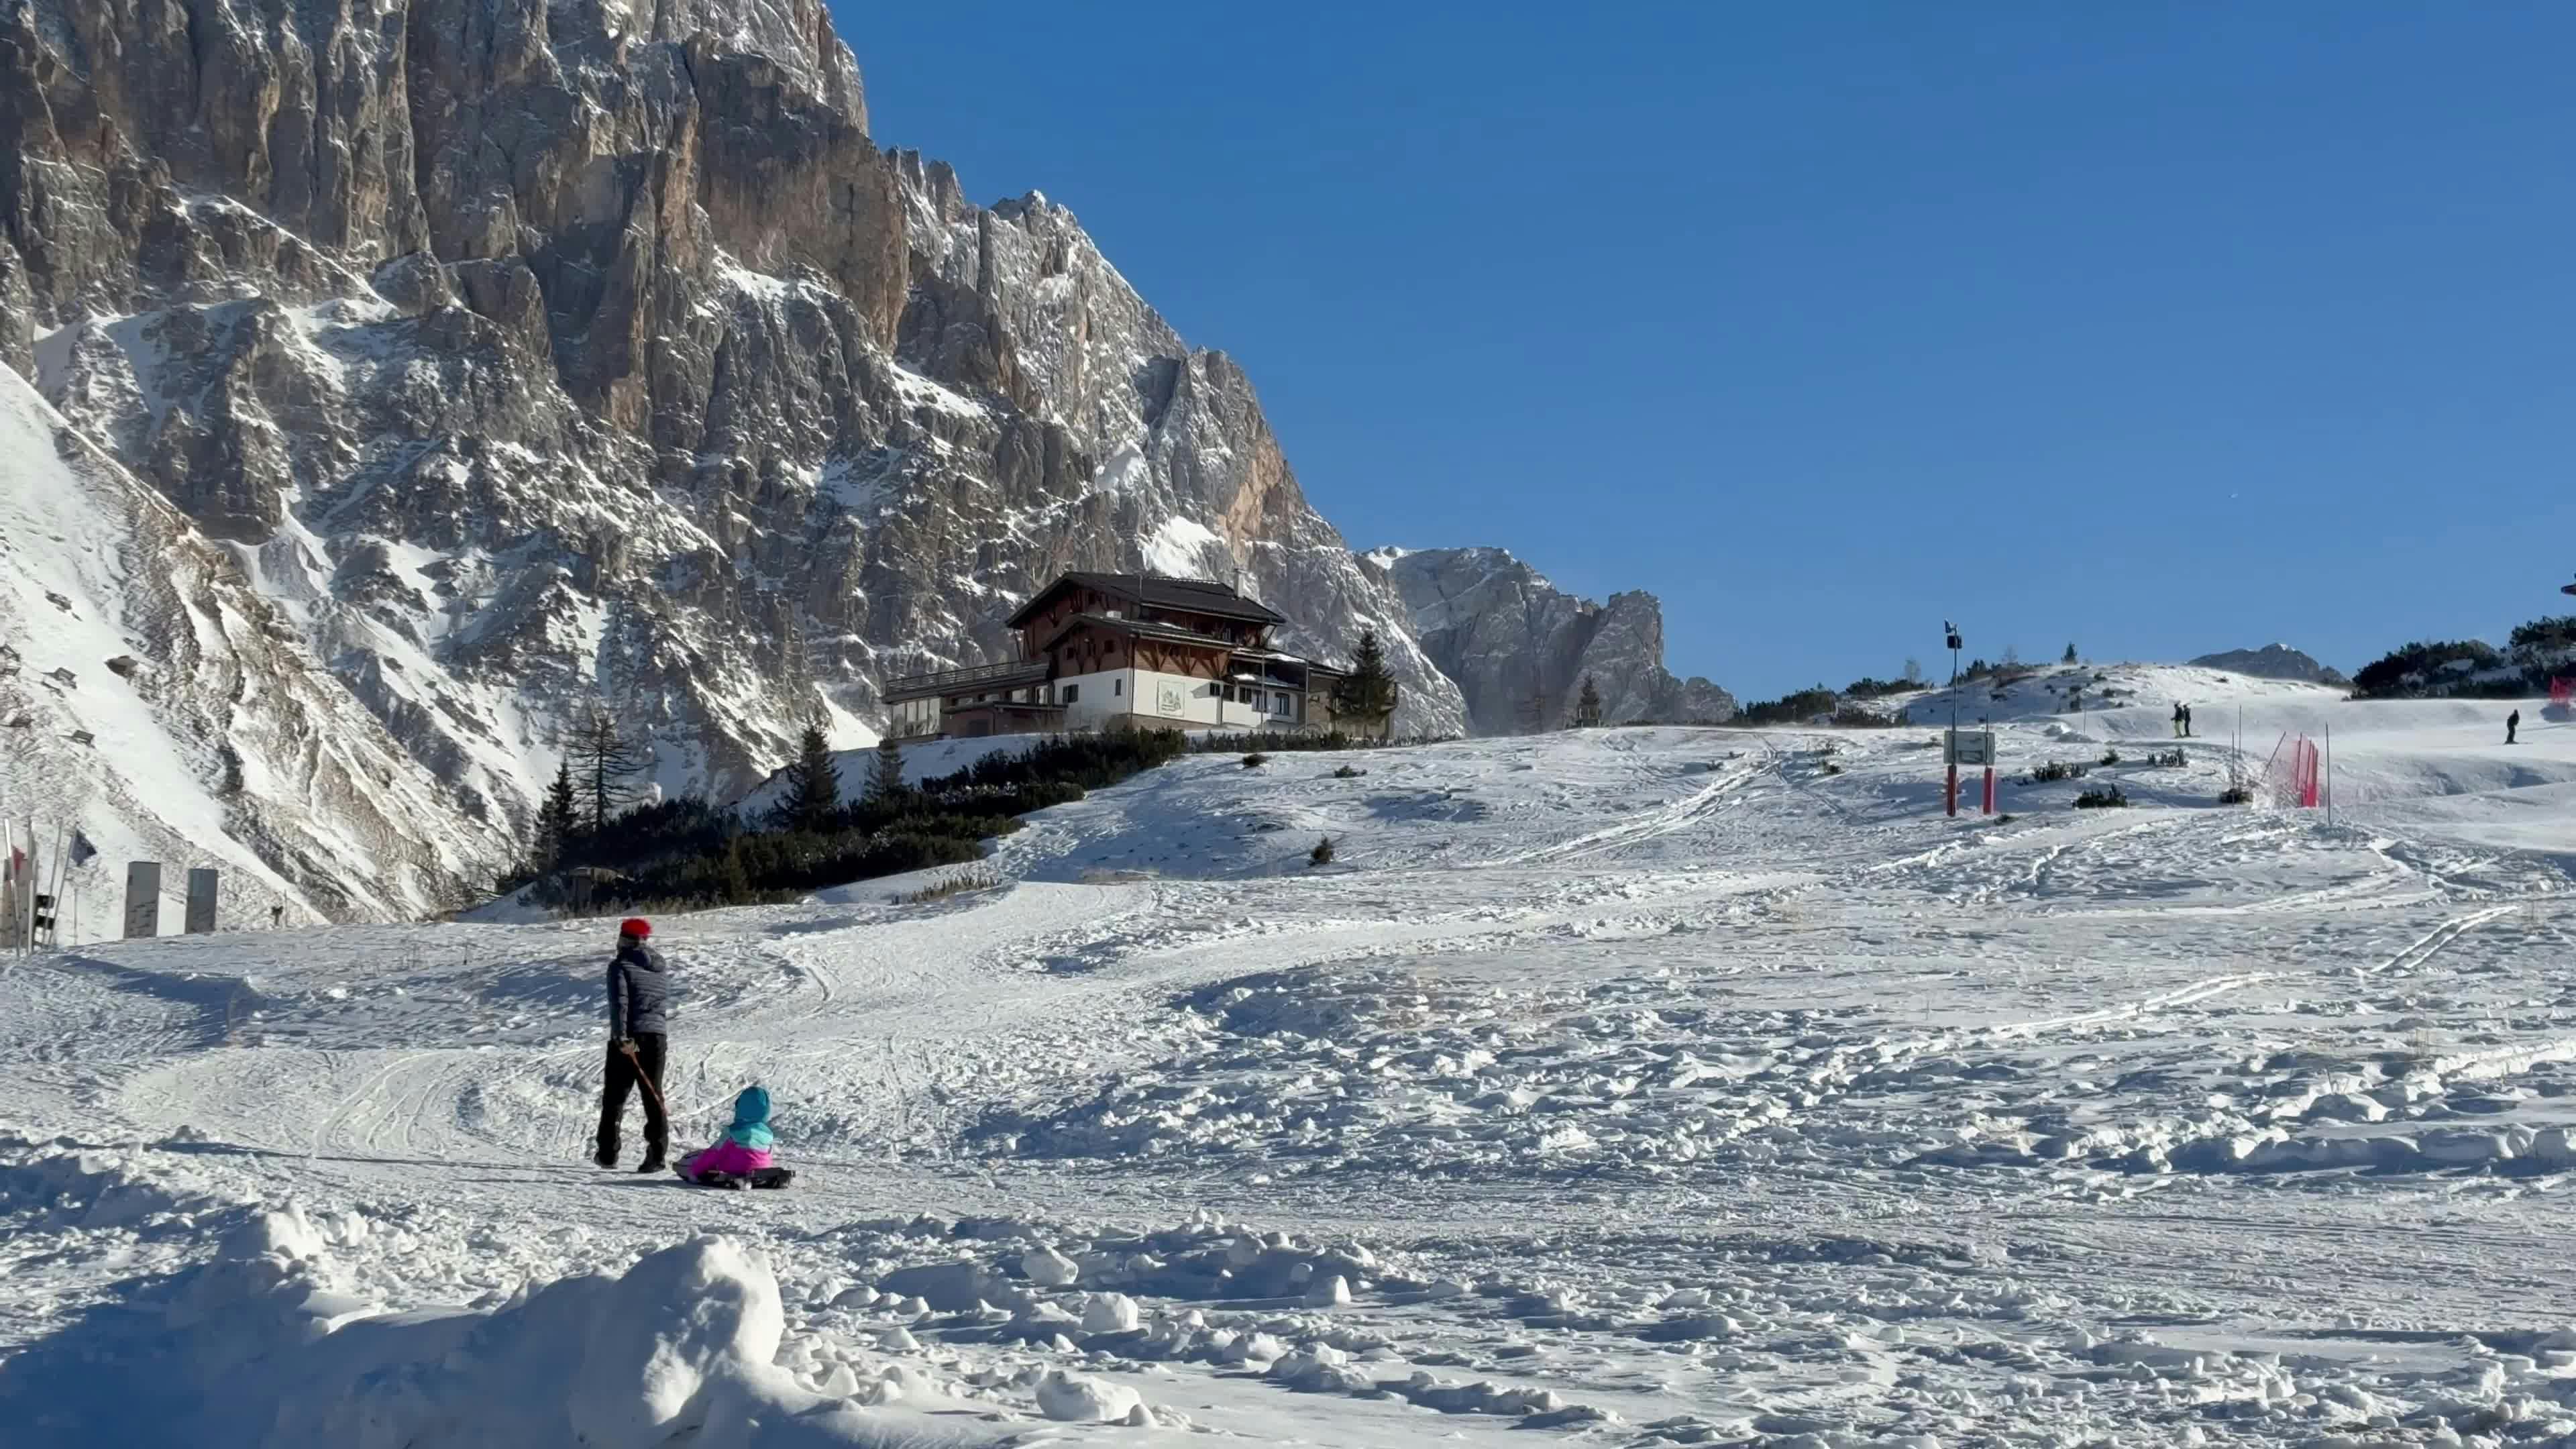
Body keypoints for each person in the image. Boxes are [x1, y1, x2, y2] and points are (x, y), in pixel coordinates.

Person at [596, 917, 671, 1172]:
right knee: (653, 1095)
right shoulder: (659, 967)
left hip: (631, 1037)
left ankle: (608, 1153)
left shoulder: (620, 966)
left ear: (623, 940)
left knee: (615, 1097)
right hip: (658, 1036)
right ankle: (658, 1154)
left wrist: (621, 1037)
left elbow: (620, 1006)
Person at [676, 1085, 795, 1190]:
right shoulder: (768, 1134)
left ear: (740, 1107)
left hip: (735, 1169)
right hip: (762, 1168)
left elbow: (714, 1154)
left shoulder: (733, 1131)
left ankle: (738, 1180)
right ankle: (774, 1179)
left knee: (711, 1168)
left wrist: (696, 1171)